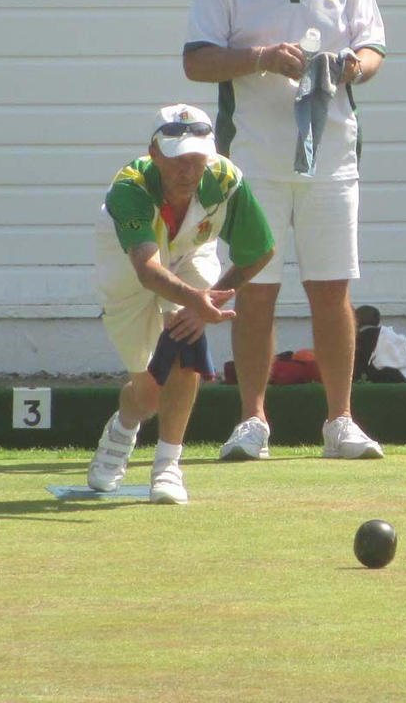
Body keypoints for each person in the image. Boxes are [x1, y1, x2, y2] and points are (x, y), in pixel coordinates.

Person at [183, 0, 386, 461]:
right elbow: (197, 62)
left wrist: (352, 68)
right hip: (251, 158)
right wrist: (264, 58)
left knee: (332, 289)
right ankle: (252, 421)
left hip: (332, 151)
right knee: (256, 291)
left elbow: (374, 46)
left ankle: (341, 422)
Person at [87, 104, 274, 504]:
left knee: (187, 338)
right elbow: (147, 271)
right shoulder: (130, 188)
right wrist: (197, 300)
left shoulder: (224, 179)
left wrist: (210, 298)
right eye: (177, 159)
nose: (188, 170)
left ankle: (168, 465)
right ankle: (123, 427)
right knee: (148, 392)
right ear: (154, 152)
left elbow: (260, 250)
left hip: (192, 255)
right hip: (128, 268)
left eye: (196, 158)